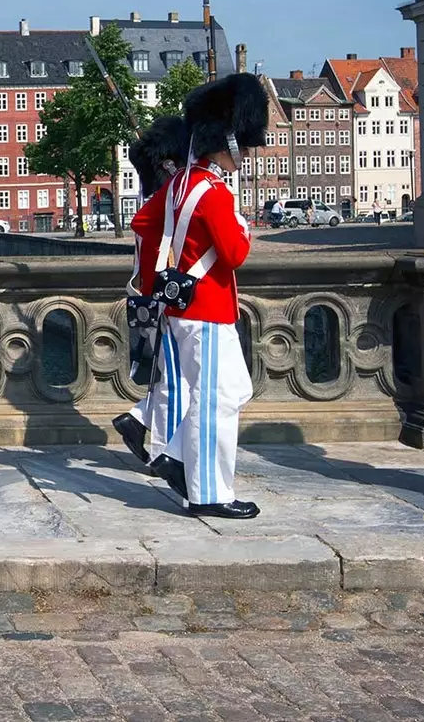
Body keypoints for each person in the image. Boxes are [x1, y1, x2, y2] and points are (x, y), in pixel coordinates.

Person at [160, 73, 268, 519]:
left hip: (193, 304)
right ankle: (208, 491)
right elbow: (235, 253)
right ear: (227, 139)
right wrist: (243, 225)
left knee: (233, 391)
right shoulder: (214, 192)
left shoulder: (184, 183)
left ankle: (178, 456)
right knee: (213, 401)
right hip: (205, 307)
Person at [111, 115, 189, 475]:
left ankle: (138, 419)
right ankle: (164, 451)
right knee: (176, 380)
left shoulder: (161, 202)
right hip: (163, 301)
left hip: (156, 297)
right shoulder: (162, 207)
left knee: (176, 377)